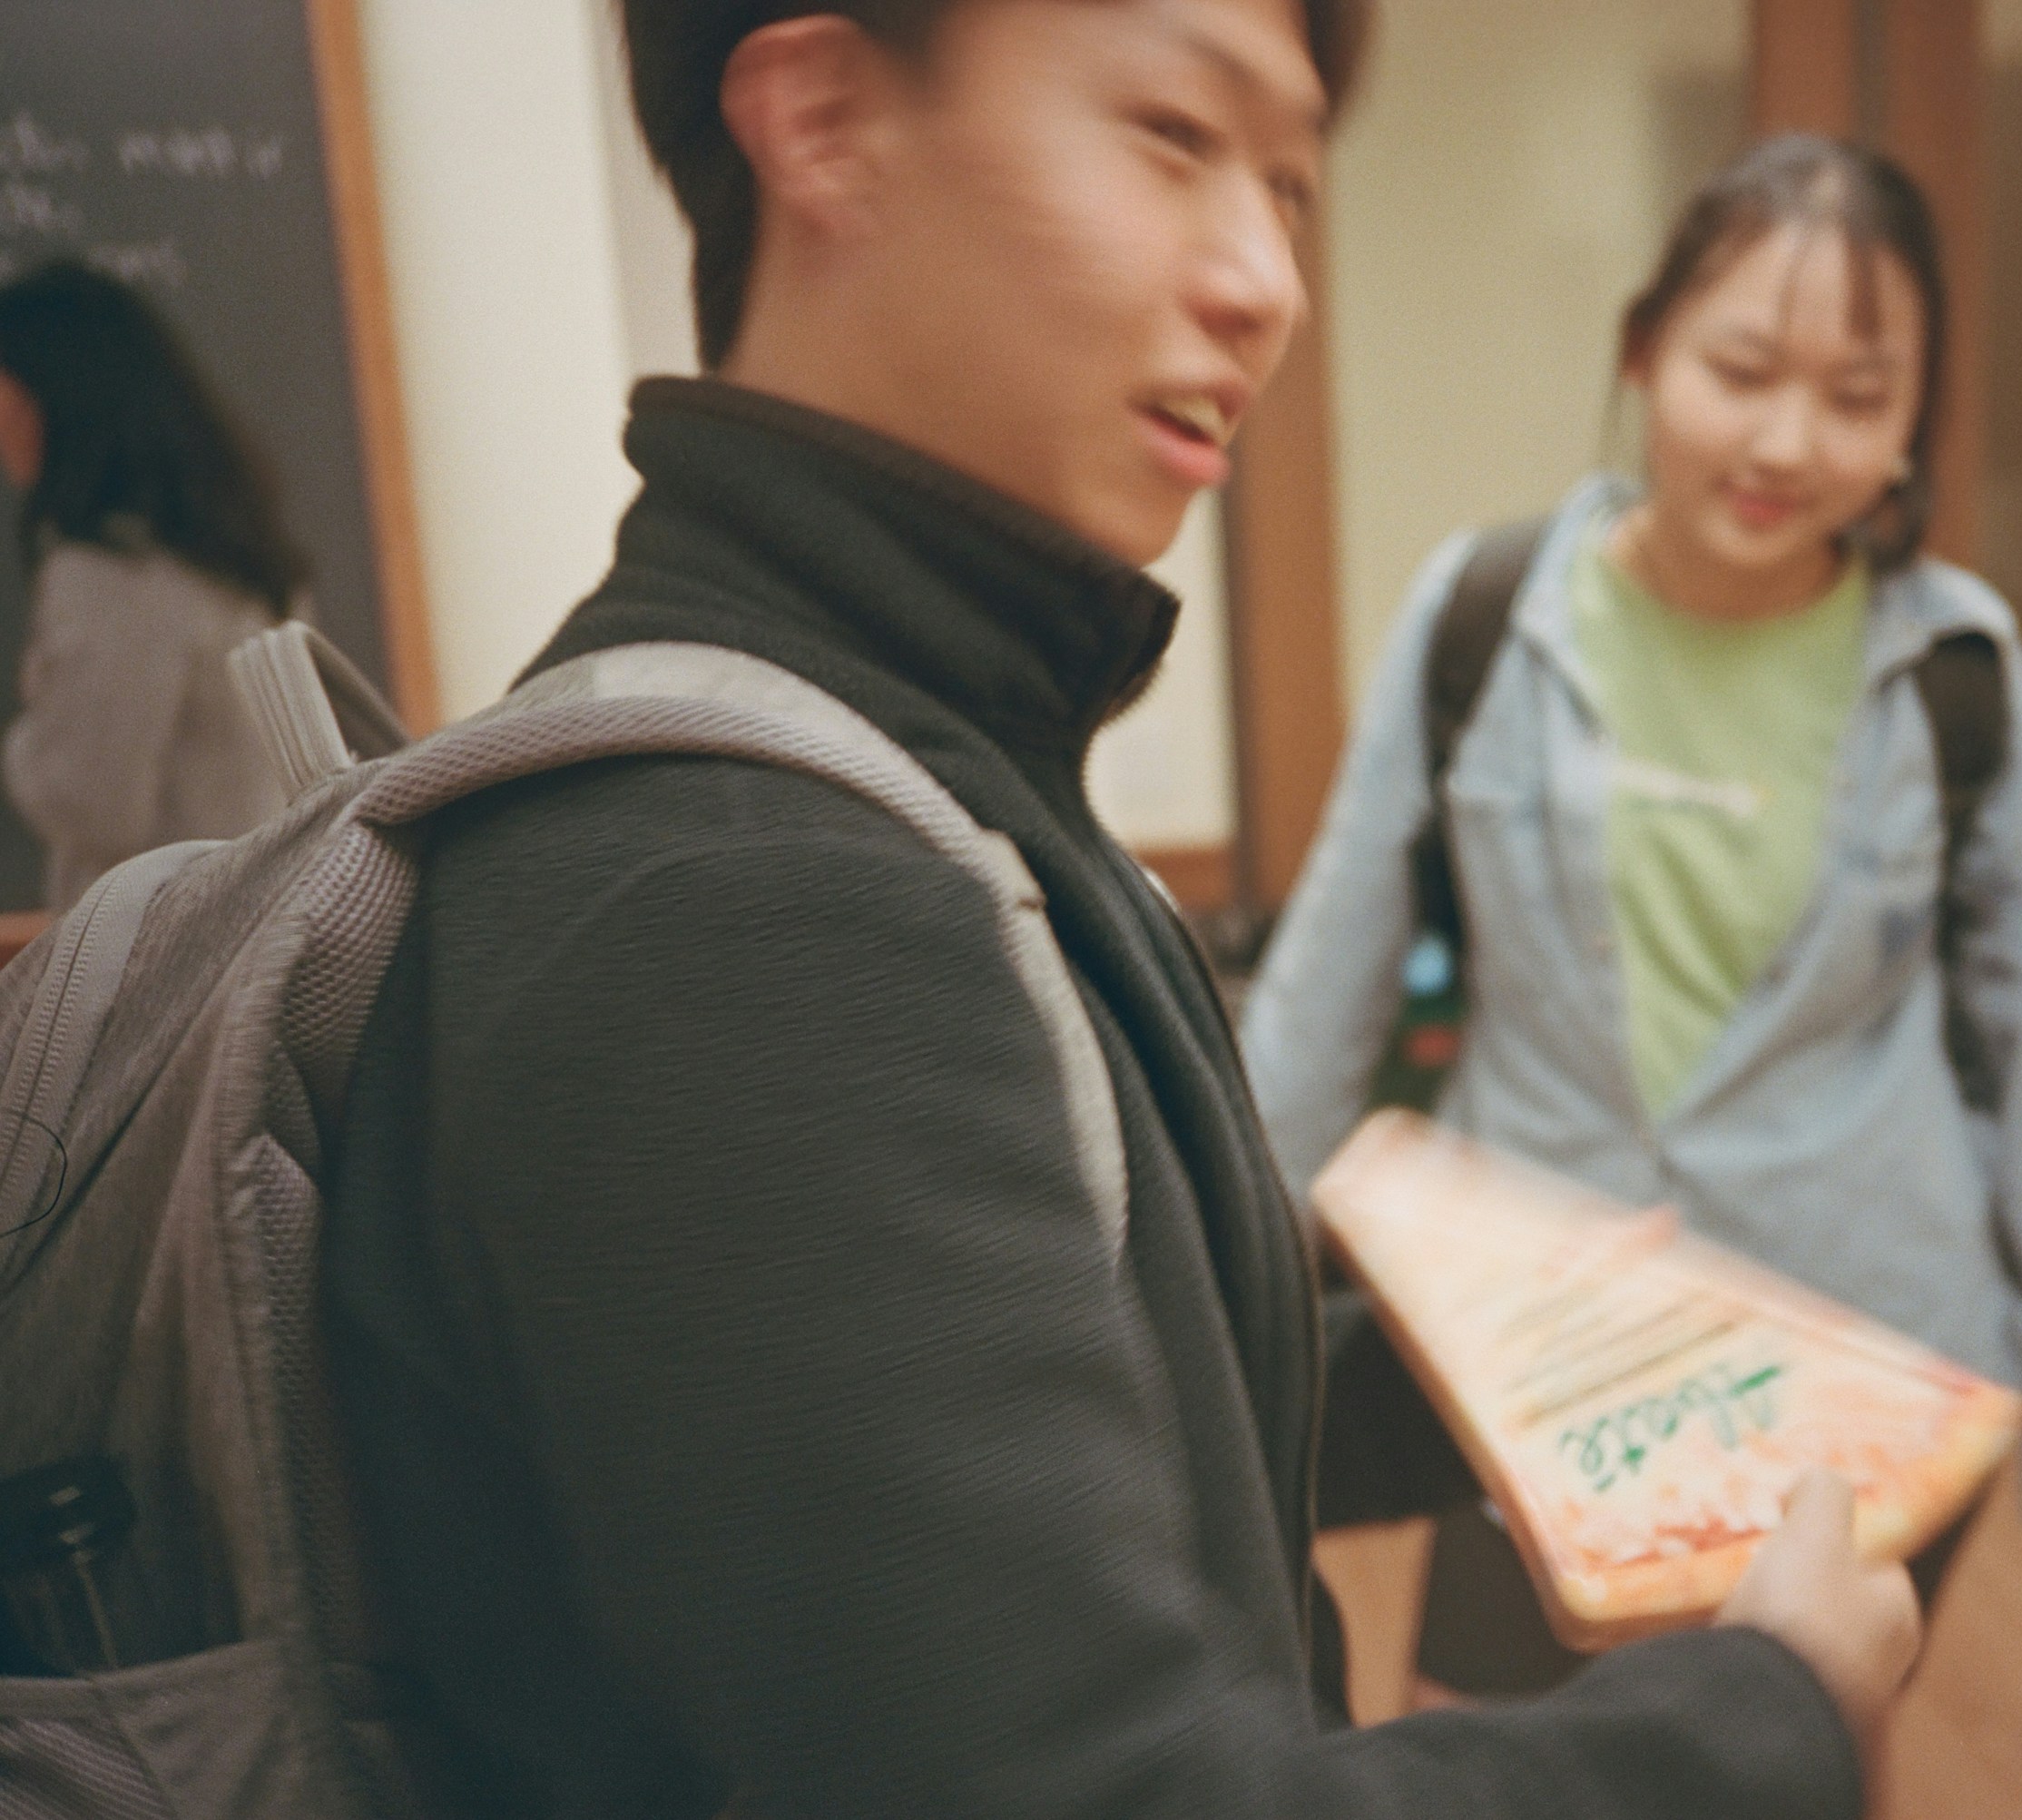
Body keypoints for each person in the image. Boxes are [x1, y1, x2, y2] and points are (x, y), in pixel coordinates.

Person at [319, 6, 1918, 1817]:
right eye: (1173, 133)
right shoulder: (740, 899)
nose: (1267, 280)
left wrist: (1484, 1358)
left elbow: (1030, 1410)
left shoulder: (899, 750)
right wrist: (1770, 1714)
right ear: (826, 118)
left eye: (1293, 183)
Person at [1242, 135, 2022, 1655]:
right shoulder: (1481, 612)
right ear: (1642, 350)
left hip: (1856, 1358)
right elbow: (1322, 992)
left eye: (1855, 397)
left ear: (1908, 427)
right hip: (1542, 1361)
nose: (1786, 440)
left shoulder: (1955, 667)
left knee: (1782, 1767)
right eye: (1739, 369)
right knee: (1492, 1761)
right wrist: (1207, 1312)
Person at [0, 261, 298, 910]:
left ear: (52, 395)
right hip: (254, 932)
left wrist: (27, 738)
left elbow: (90, 797)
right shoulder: (228, 554)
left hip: (164, 963)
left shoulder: (110, 573)